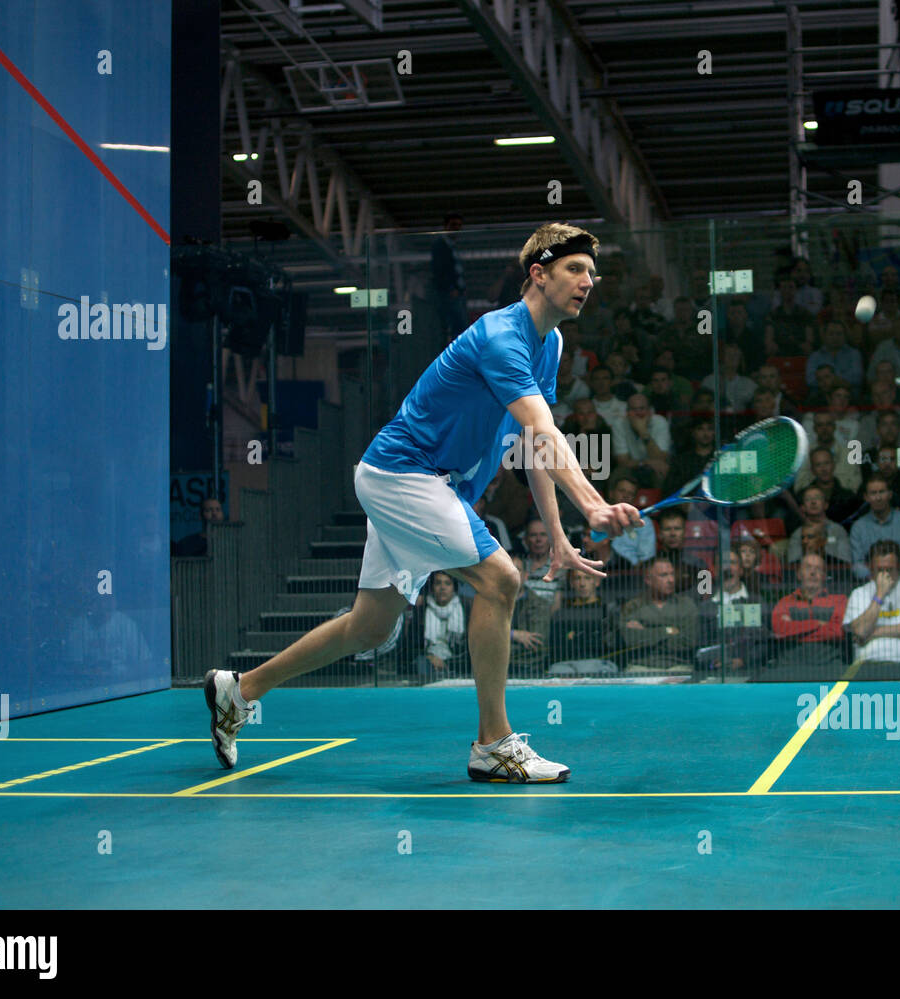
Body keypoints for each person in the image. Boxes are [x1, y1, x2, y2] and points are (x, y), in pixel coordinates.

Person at [203, 221, 642, 783]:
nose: (588, 281)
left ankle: (238, 692)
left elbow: (534, 446)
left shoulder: (549, 344)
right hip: (403, 475)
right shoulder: (500, 336)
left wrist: (558, 532)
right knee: (500, 579)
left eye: (592, 273)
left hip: (426, 485)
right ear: (539, 273)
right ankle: (494, 744)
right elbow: (544, 429)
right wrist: (595, 505)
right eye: (575, 269)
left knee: (367, 627)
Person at [843, 540, 900, 668]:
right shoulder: (858, 594)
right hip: (866, 664)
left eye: (890, 569)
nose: (885, 574)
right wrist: (879, 595)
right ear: (870, 568)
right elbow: (859, 631)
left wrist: (872, 633)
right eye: (880, 570)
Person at [619, 557, 699, 674]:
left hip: (678, 666)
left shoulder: (686, 605)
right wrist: (668, 630)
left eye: (672, 574)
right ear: (648, 580)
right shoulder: (633, 606)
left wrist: (646, 633)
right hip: (640, 667)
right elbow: (630, 640)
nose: (671, 580)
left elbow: (688, 641)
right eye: (664, 575)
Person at [768, 553, 846, 672]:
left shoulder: (839, 600)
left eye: (818, 569)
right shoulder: (786, 601)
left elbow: (837, 631)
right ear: (799, 574)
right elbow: (780, 630)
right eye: (808, 567)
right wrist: (818, 624)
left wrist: (795, 631)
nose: (813, 572)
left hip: (830, 668)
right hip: (789, 670)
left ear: (824, 576)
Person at [849, 474, 900, 580]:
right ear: (866, 497)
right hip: (869, 585)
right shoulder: (858, 527)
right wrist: (876, 581)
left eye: (881, 492)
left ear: (890, 494)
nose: (878, 497)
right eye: (873, 493)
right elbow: (857, 565)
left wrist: (895, 580)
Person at [418, 572, 471, 678]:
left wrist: (447, 662)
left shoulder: (466, 608)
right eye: (438, 583)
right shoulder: (422, 609)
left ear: (454, 587)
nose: (443, 588)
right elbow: (413, 645)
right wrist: (430, 657)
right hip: (428, 661)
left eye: (447, 583)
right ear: (432, 587)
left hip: (457, 661)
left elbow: (469, 647)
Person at [787, 484, 851, 566]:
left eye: (817, 498)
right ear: (802, 507)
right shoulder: (797, 534)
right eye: (808, 499)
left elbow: (846, 563)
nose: (813, 502)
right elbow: (793, 565)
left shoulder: (838, 530)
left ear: (826, 505)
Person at [431, 211, 468, 343]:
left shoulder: (452, 246)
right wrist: (450, 288)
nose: (456, 229)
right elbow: (440, 270)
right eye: (453, 225)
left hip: (456, 292)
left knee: (459, 325)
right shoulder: (441, 246)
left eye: (459, 226)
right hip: (450, 293)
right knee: (456, 325)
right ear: (446, 226)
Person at [805, 320, 864, 393]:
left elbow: (857, 378)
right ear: (824, 336)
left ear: (845, 336)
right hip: (822, 395)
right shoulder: (815, 356)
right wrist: (836, 381)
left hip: (848, 394)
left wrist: (827, 380)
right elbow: (810, 379)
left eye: (839, 334)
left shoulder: (854, 354)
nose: (835, 337)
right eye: (831, 334)